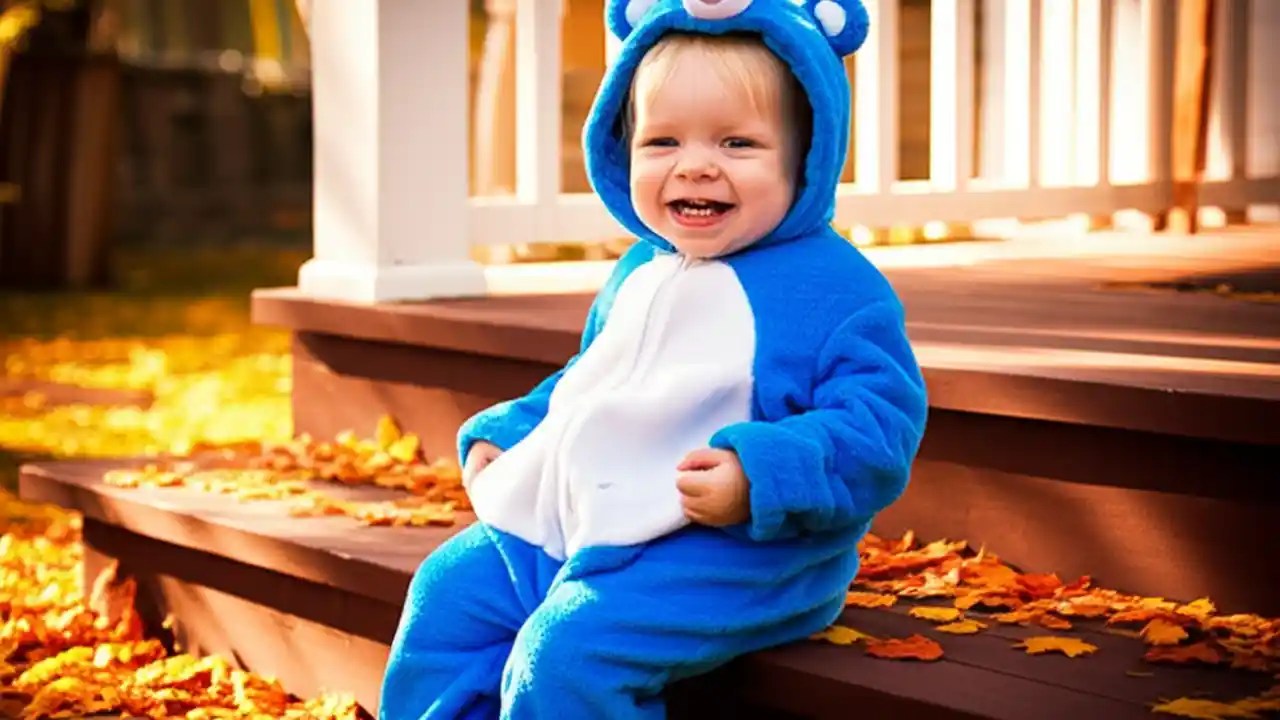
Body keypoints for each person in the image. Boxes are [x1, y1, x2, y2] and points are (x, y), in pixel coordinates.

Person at [380, 1, 927, 717]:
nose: (695, 165)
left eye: (737, 144)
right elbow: (596, 383)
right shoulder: (642, 268)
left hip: (733, 553)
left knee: (569, 652)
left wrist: (756, 474)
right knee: (446, 593)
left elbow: (879, 431)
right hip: (592, 519)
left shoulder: (837, 292)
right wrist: (515, 430)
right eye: (662, 141)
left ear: (806, 156)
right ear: (623, 147)